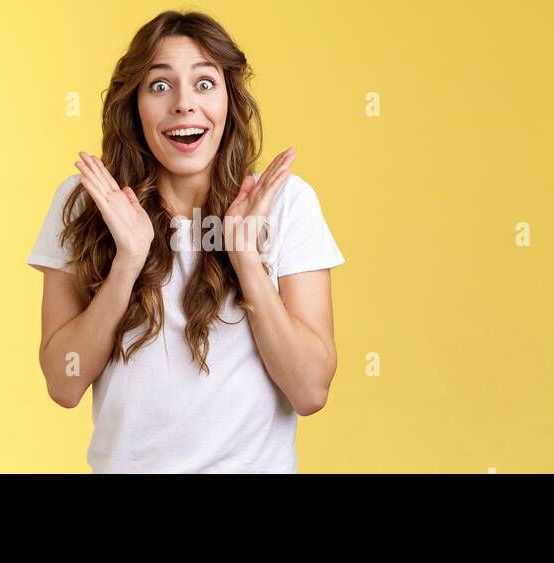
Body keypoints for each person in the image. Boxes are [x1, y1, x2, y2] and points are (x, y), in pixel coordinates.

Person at [27, 10, 344, 473]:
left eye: (204, 83)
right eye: (159, 85)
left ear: (228, 102)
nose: (183, 104)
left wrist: (246, 260)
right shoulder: (89, 203)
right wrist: (127, 263)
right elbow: (63, 382)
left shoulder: (286, 204)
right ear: (134, 103)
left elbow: (310, 391)